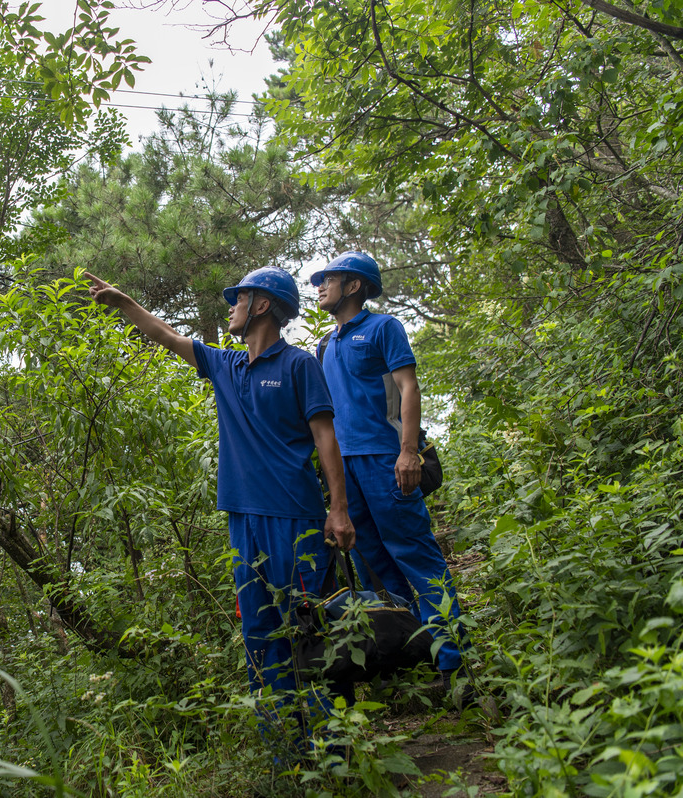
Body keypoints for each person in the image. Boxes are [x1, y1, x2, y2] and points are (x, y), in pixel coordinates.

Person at [85, 267, 356, 747]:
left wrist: (339, 508)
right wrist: (124, 303)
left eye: (240, 299)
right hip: (242, 521)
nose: (231, 307)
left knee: (309, 629)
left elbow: (325, 438)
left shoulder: (298, 365)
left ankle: (335, 750)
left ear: (262, 305)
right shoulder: (225, 365)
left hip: (295, 518)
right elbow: (166, 335)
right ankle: (283, 752)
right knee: (259, 631)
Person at [310, 251, 467, 693]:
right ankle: (415, 658)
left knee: (415, 556)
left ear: (354, 285)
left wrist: (408, 452)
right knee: (375, 566)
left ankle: (455, 668)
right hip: (345, 472)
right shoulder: (324, 345)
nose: (320, 287)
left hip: (386, 460)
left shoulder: (383, 328)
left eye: (328, 279)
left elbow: (408, 387)